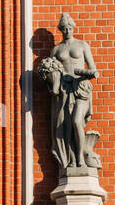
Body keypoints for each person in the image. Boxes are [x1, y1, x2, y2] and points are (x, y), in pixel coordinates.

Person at [37, 13, 100, 173]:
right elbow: (53, 72)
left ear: (73, 27)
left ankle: (80, 157)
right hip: (64, 91)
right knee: (64, 126)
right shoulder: (56, 50)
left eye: (69, 28)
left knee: (77, 121)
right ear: (60, 30)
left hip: (81, 88)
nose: (67, 31)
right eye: (64, 28)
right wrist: (53, 84)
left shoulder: (82, 45)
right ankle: (71, 158)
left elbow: (92, 67)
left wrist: (87, 73)